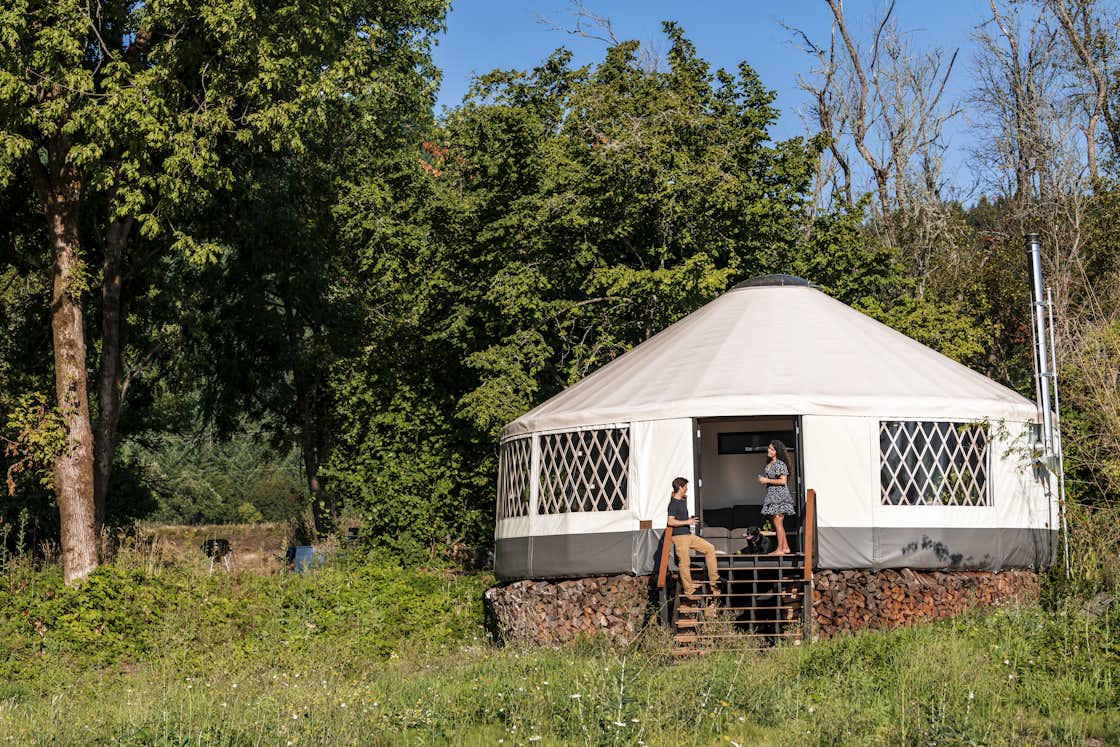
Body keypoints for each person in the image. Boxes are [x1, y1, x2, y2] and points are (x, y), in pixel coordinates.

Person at [666, 477, 720, 600]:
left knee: (710, 548)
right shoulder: (673, 503)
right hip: (679, 537)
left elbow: (679, 519)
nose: (687, 488)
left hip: (688, 535)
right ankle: (689, 591)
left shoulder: (682, 501)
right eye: (685, 486)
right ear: (680, 487)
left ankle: (714, 581)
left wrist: (689, 520)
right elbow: (670, 521)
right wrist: (688, 521)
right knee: (685, 563)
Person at [757, 440, 795, 555]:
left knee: (778, 524)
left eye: (772, 449)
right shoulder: (770, 463)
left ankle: (779, 550)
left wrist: (766, 480)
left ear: (777, 451)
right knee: (777, 524)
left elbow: (783, 481)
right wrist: (764, 480)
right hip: (772, 496)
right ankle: (786, 547)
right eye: (769, 448)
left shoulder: (780, 464)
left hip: (780, 497)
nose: (769, 450)